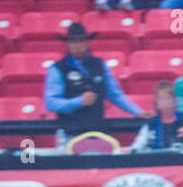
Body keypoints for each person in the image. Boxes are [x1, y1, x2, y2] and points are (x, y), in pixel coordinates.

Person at [44, 21, 144, 149]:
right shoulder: (57, 69)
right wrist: (79, 101)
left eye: (81, 41)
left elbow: (115, 94)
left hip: (97, 132)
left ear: (87, 42)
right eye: (74, 42)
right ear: (68, 44)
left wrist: (137, 112)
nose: (78, 45)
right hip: (70, 133)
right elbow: (51, 103)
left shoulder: (100, 65)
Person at [130, 80, 183, 151]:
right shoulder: (150, 124)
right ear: (157, 104)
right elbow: (137, 146)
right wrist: (132, 150)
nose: (166, 104)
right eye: (162, 100)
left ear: (175, 101)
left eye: (168, 100)